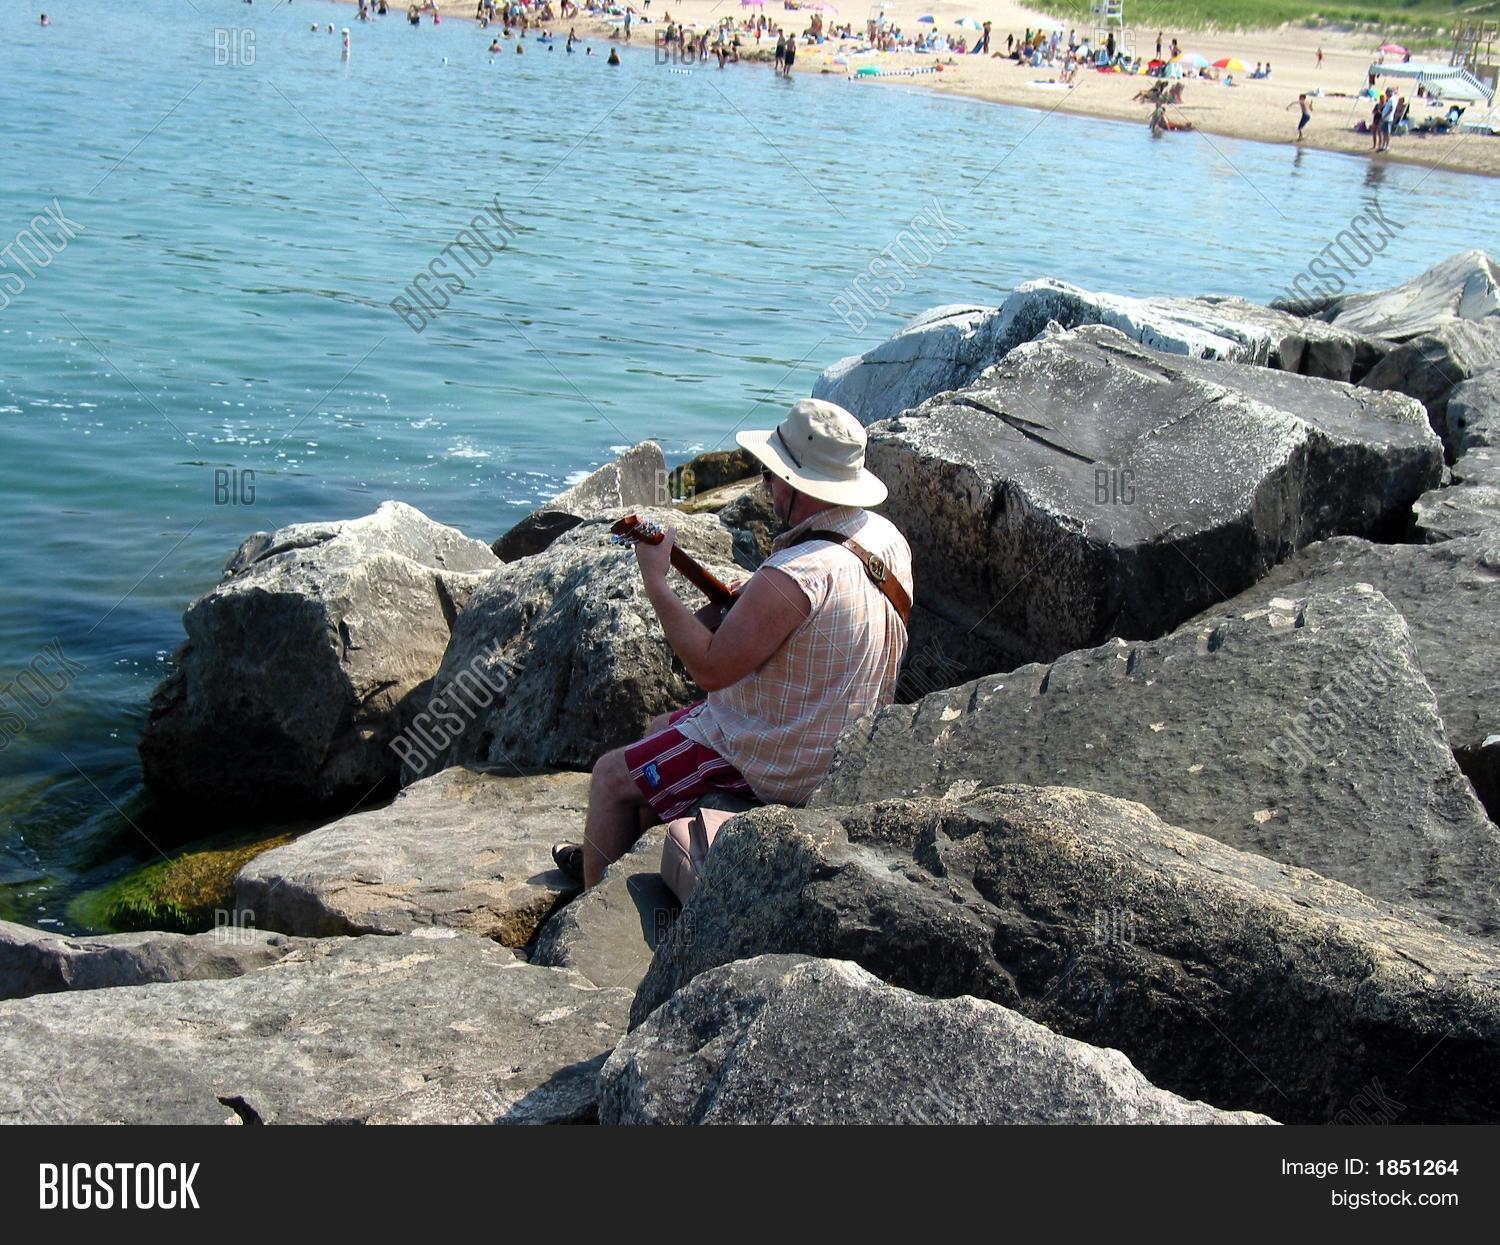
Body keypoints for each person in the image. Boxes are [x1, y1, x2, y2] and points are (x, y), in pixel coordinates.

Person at [554, 399, 913, 890]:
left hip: (785, 760)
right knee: (656, 729)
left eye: (770, 475)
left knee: (610, 778)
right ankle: (616, 860)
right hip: (845, 743)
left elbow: (709, 669)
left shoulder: (797, 573)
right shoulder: (885, 539)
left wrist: (656, 581)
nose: (766, 484)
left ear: (795, 483)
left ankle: (591, 904)